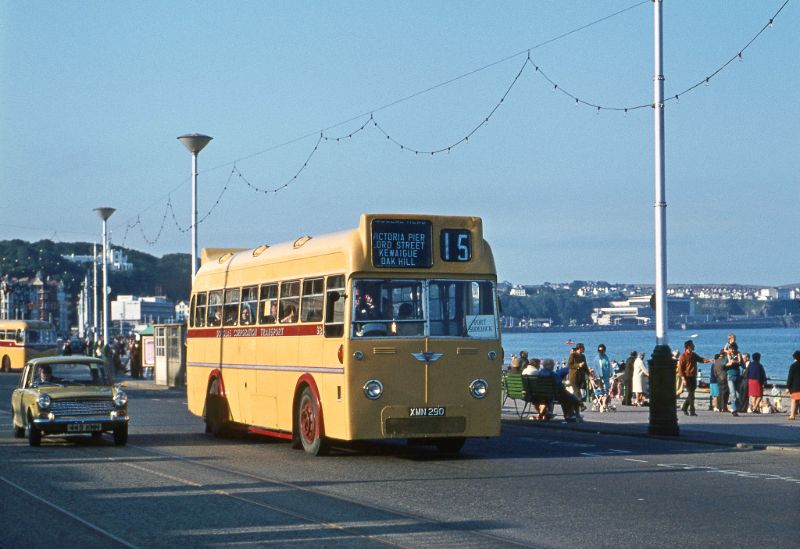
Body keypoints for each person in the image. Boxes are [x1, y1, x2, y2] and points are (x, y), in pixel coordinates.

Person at [677, 340, 713, 416]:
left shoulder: (693, 355)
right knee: (691, 394)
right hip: (687, 377)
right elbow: (680, 369)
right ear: (688, 347)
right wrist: (683, 379)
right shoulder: (683, 356)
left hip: (693, 377)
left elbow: (701, 359)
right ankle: (692, 411)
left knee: (691, 394)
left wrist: (709, 360)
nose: (694, 346)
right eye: (692, 345)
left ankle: (684, 407)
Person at [724, 342, 742, 416]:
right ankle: (734, 410)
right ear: (730, 349)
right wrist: (729, 363)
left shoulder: (738, 355)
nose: (733, 350)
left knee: (738, 395)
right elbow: (724, 365)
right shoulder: (727, 356)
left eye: (734, 349)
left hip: (737, 376)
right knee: (733, 394)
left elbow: (741, 363)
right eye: (731, 349)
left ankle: (736, 408)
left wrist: (734, 362)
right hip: (730, 376)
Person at [787, 350, 800, 421]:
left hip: (795, 386)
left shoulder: (793, 366)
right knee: (797, 401)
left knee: (794, 400)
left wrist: (788, 386)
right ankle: (795, 412)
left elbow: (790, 377)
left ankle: (792, 415)